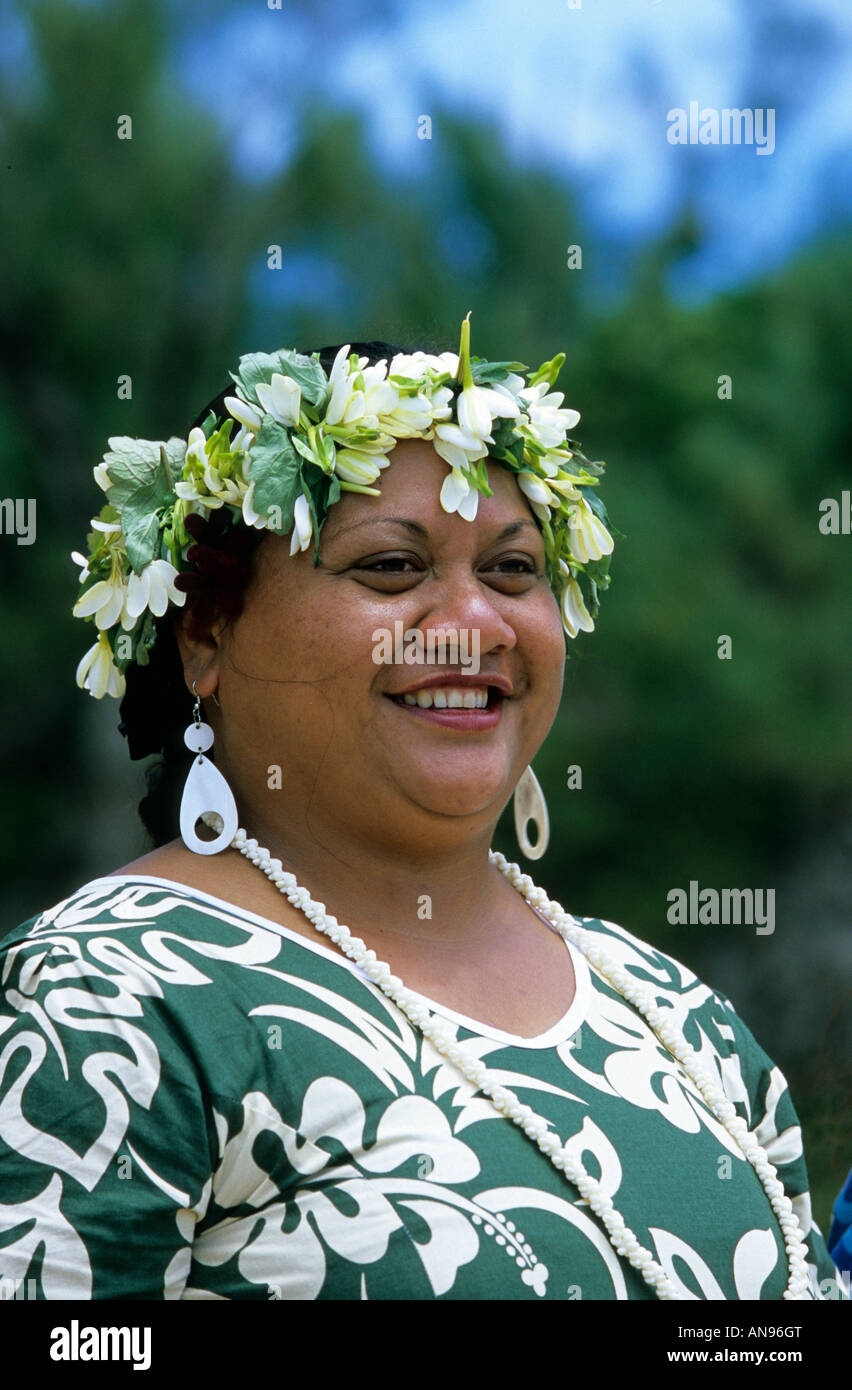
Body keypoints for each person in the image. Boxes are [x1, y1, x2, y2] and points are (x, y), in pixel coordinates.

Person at [0, 317, 844, 1301]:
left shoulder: (678, 1019)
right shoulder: (102, 995)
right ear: (205, 637)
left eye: (512, 568)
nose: (476, 622)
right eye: (392, 566)